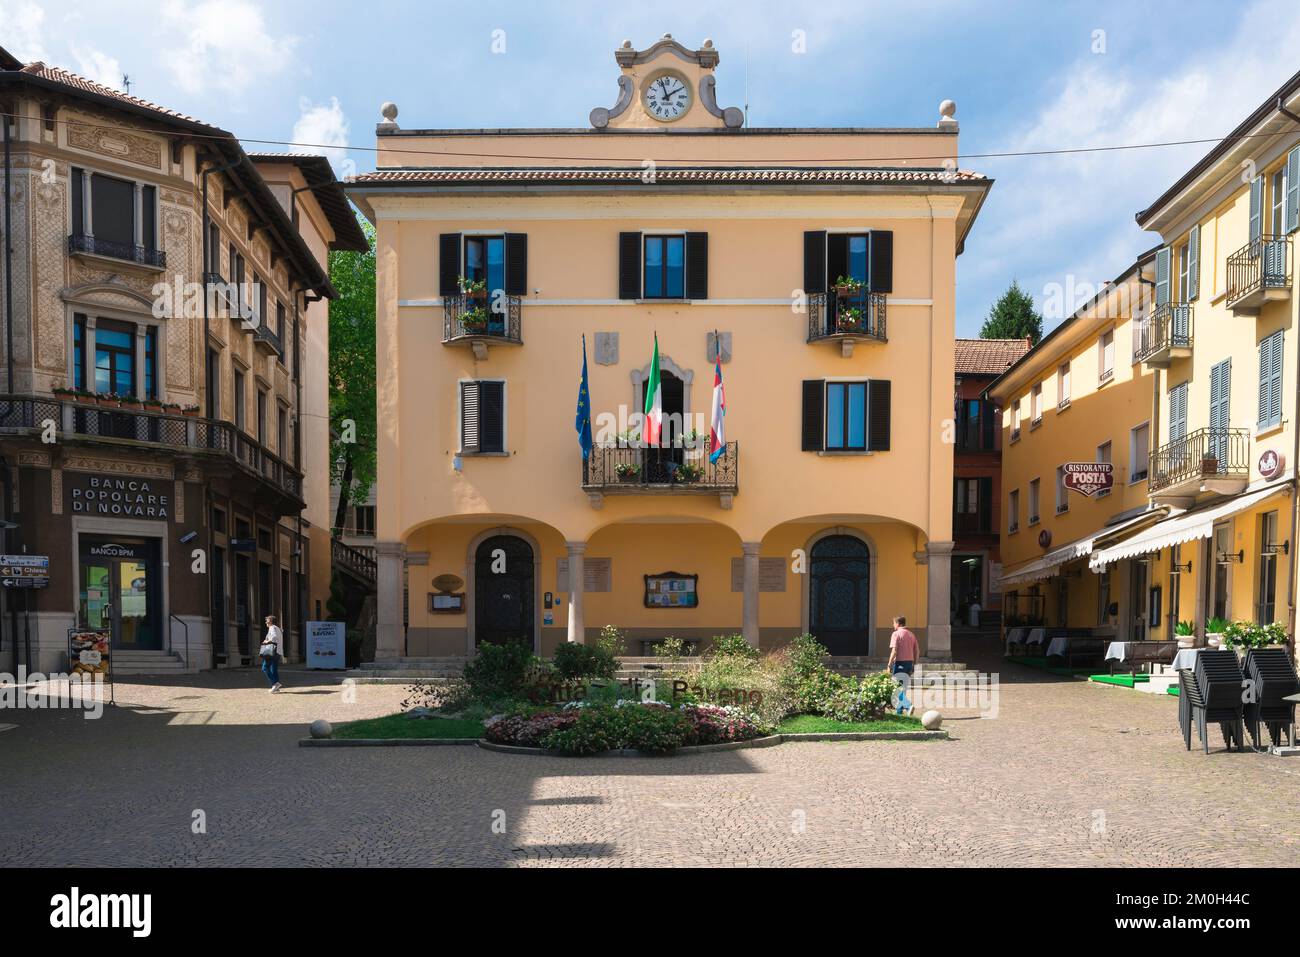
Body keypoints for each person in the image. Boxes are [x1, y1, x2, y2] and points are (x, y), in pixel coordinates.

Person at [887, 615, 918, 716]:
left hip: (900, 663)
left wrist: (889, 664)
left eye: (894, 623)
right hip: (909, 663)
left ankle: (908, 705)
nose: (893, 625)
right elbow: (917, 651)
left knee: (896, 688)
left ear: (898, 623)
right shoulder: (911, 634)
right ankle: (899, 712)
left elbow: (894, 650)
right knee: (902, 688)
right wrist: (914, 664)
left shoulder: (896, 634)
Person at [260, 615, 283, 693]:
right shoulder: (278, 628)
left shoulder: (272, 627)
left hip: (272, 652)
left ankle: (275, 683)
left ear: (271, 622)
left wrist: (267, 641)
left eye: (267, 621)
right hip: (278, 651)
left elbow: (274, 637)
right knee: (274, 669)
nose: (266, 622)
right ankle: (276, 688)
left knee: (264, 668)